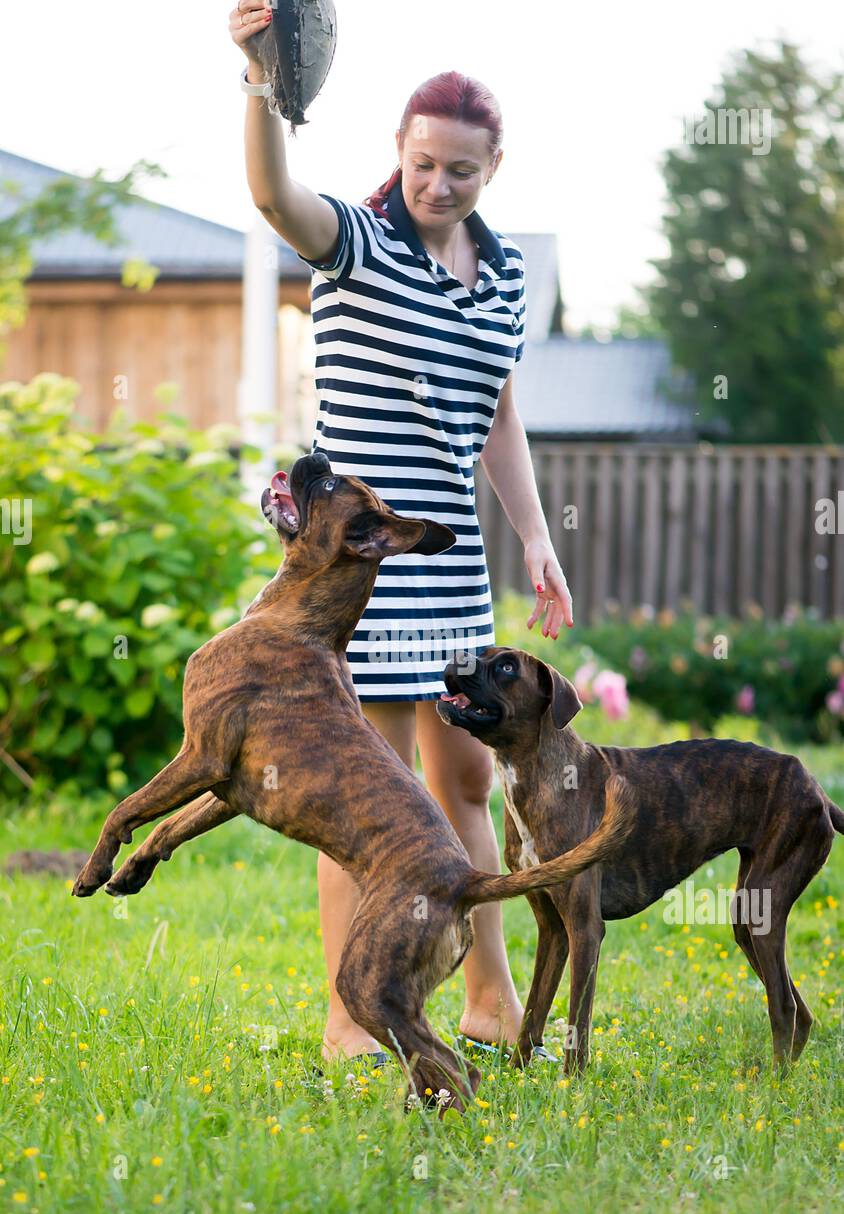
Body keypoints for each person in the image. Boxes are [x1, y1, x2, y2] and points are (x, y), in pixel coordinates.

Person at [232, 3, 573, 1065]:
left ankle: (490, 999)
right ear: (399, 152)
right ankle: (350, 1015)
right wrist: (257, 82)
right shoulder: (361, 243)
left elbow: (498, 416)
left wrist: (534, 537)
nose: (438, 185)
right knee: (367, 799)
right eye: (423, 164)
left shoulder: (508, 275)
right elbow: (271, 195)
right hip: (361, 572)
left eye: (460, 171)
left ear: (494, 165)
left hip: (452, 563)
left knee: (468, 785)